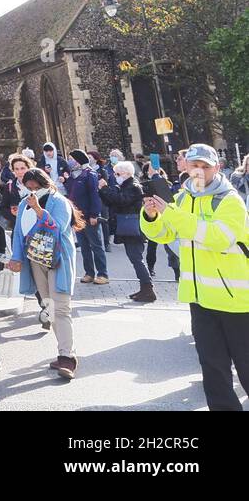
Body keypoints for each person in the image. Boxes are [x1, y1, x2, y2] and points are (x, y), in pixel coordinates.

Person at [141, 143, 249, 410]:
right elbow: (163, 235)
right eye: (194, 165)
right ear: (186, 167)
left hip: (237, 300)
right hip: (200, 299)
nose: (199, 171)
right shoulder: (180, 199)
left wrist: (172, 214)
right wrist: (151, 216)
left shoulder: (229, 200)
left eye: (205, 166)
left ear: (217, 167)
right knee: (213, 371)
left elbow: (217, 238)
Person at [8, 167, 79, 379]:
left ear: (45, 185)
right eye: (27, 188)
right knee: (49, 306)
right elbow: (19, 233)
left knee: (61, 307)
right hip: (35, 260)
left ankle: (68, 356)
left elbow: (57, 227)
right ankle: (64, 351)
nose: (31, 192)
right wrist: (16, 258)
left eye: (35, 188)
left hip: (57, 259)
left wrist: (39, 210)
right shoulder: (23, 205)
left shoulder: (59, 202)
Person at [98, 160, 153, 302]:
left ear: (127, 173)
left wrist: (105, 189)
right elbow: (111, 201)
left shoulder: (133, 186)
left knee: (136, 258)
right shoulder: (124, 185)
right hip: (128, 228)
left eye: (118, 174)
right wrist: (104, 191)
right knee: (135, 258)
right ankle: (145, 288)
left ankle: (148, 289)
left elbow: (121, 200)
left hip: (133, 228)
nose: (115, 176)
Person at [64, 150, 107, 284]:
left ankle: (103, 274)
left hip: (89, 215)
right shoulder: (73, 175)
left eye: (72, 159)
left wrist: (94, 214)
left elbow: (94, 196)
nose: (70, 161)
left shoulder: (90, 174)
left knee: (96, 245)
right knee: (84, 246)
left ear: (78, 160)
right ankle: (89, 272)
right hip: (78, 216)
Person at [142, 162, 182, 281]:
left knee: (173, 250)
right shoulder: (145, 183)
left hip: (171, 221)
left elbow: (166, 196)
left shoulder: (170, 183)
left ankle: (178, 273)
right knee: (155, 246)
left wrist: (155, 175)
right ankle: (152, 267)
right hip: (157, 220)